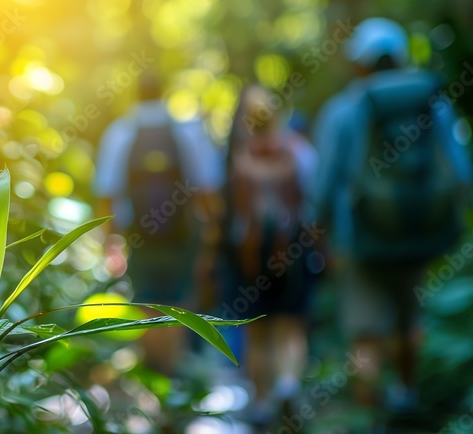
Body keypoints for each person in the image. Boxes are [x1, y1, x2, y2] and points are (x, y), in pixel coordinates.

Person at [312, 17, 473, 414]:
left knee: (365, 334)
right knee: (409, 322)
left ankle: (371, 417)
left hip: (359, 237)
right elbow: (461, 174)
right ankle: (406, 398)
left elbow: (325, 182)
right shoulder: (430, 103)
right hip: (417, 232)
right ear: (401, 57)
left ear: (360, 63)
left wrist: (318, 233)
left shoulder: (343, 109)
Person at [93, 70, 223, 376]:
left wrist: (109, 241)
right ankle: (173, 370)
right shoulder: (186, 131)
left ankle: (155, 374)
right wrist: (213, 235)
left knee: (145, 302)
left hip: (138, 236)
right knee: (179, 300)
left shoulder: (119, 133)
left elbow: (107, 193)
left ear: (136, 94)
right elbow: (206, 189)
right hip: (181, 234)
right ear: (163, 92)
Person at [220, 84, 319, 425]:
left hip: (247, 256)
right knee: (291, 327)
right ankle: (288, 385)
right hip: (293, 251)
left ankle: (261, 403)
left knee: (256, 331)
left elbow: (221, 207)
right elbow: (314, 200)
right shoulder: (298, 150)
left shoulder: (235, 155)